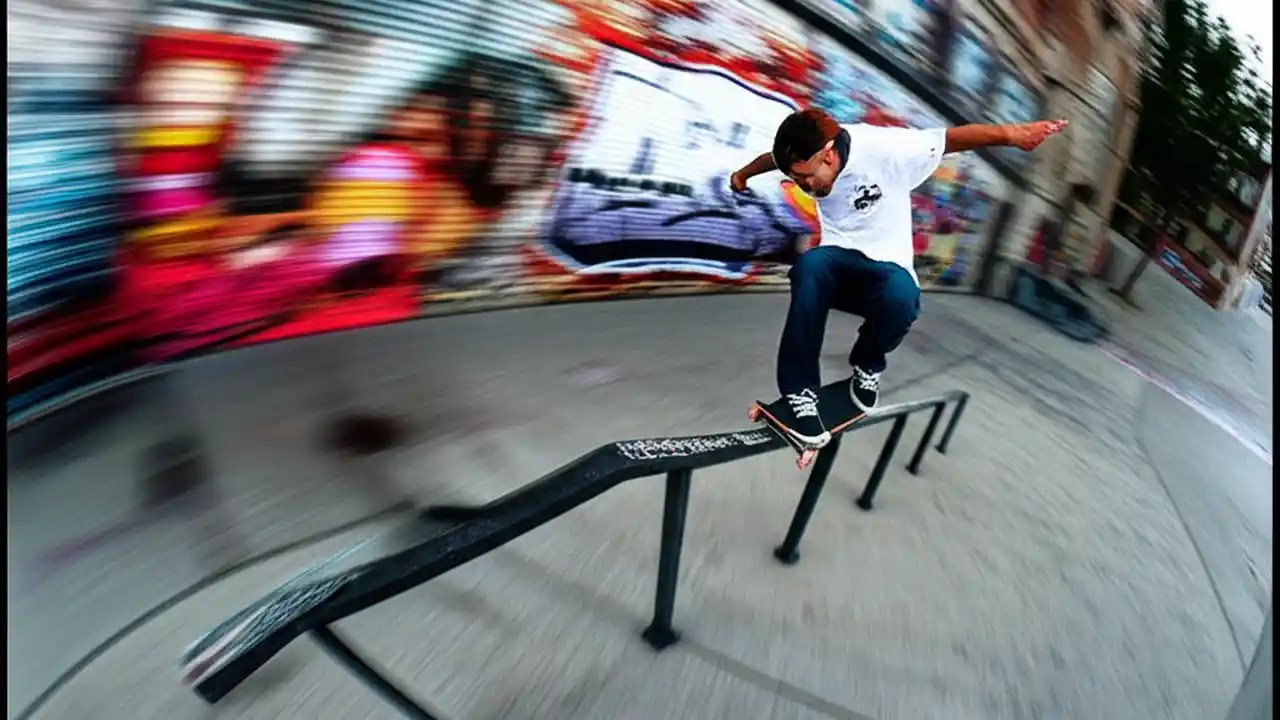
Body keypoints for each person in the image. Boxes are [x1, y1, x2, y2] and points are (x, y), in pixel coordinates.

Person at [730, 108, 1066, 446]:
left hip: (885, 270)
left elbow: (951, 139)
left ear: (829, 155)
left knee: (903, 297)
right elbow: (773, 161)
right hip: (838, 266)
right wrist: (742, 175)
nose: (803, 187)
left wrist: (1013, 135)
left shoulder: (887, 148)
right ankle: (799, 391)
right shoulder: (805, 153)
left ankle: (867, 366)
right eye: (795, 179)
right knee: (810, 267)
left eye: (806, 178)